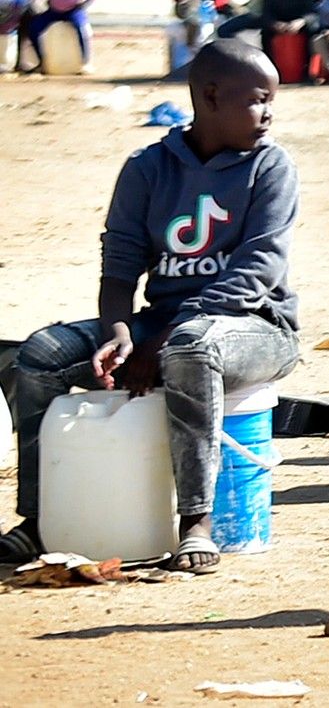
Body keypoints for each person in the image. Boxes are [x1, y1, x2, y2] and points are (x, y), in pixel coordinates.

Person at [2, 40, 300, 573]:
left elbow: (258, 271)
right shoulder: (148, 167)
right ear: (211, 96)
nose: (269, 113)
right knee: (42, 354)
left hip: (256, 328)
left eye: (270, 100)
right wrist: (119, 333)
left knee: (191, 347)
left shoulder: (270, 167)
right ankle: (38, 518)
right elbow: (120, 262)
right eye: (258, 99)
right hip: (161, 327)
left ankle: (196, 523)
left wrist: (163, 339)